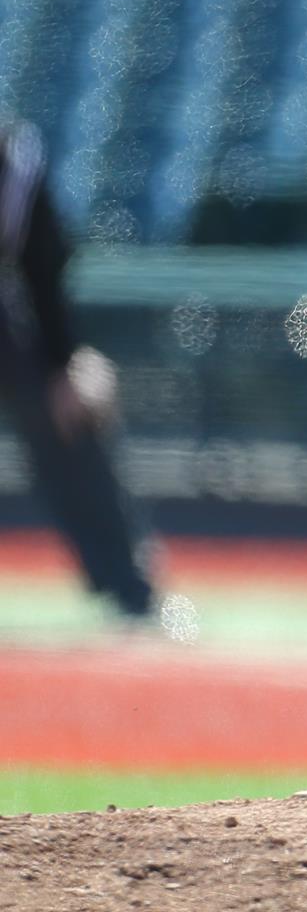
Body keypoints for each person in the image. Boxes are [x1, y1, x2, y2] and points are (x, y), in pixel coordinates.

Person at [0, 120, 156, 623]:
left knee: (71, 413)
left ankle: (128, 586)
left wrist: (66, 361)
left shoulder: (14, 157)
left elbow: (42, 269)